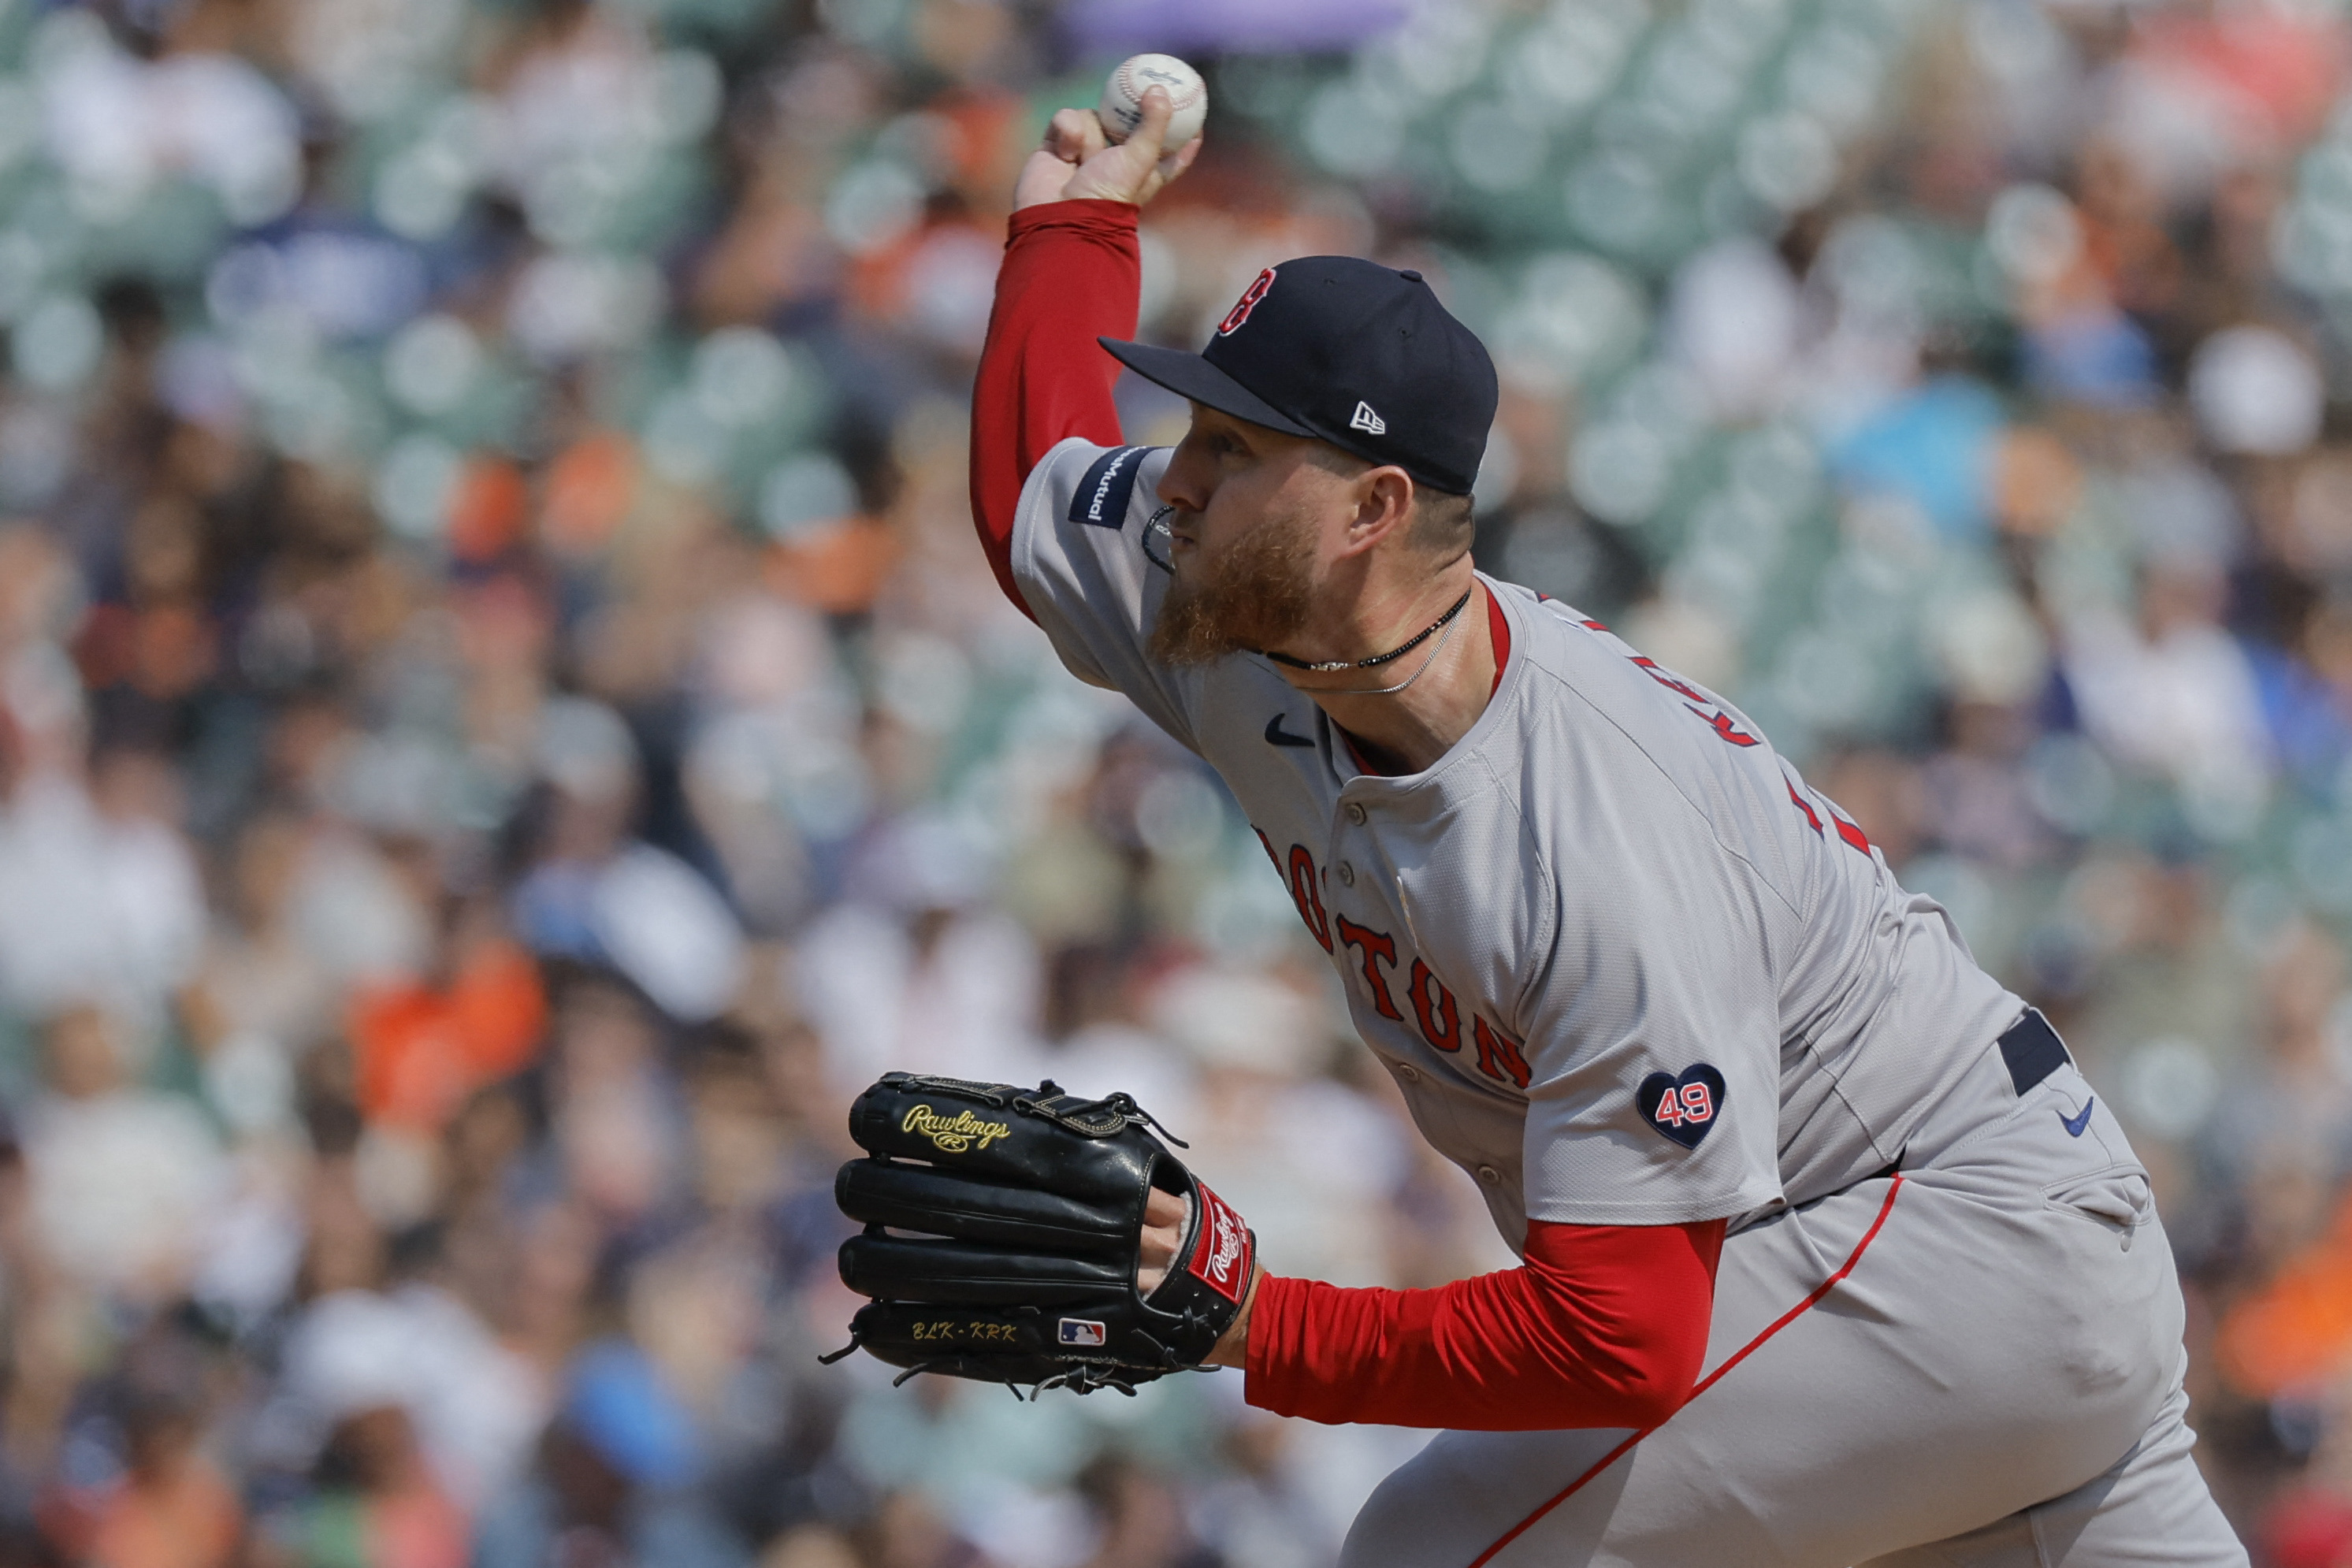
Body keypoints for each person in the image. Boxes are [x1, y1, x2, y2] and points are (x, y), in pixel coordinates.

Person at [964, 87, 2249, 1566]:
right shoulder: (1237, 606)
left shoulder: (1584, 827)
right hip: (1921, 1278)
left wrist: (1258, 1324)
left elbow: (1619, 1337)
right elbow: (1031, 497)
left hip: (1941, 1241)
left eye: (1235, 450)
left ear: (1373, 509)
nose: (1177, 481)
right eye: (1192, 429)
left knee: (1426, 1551)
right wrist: (1074, 217)